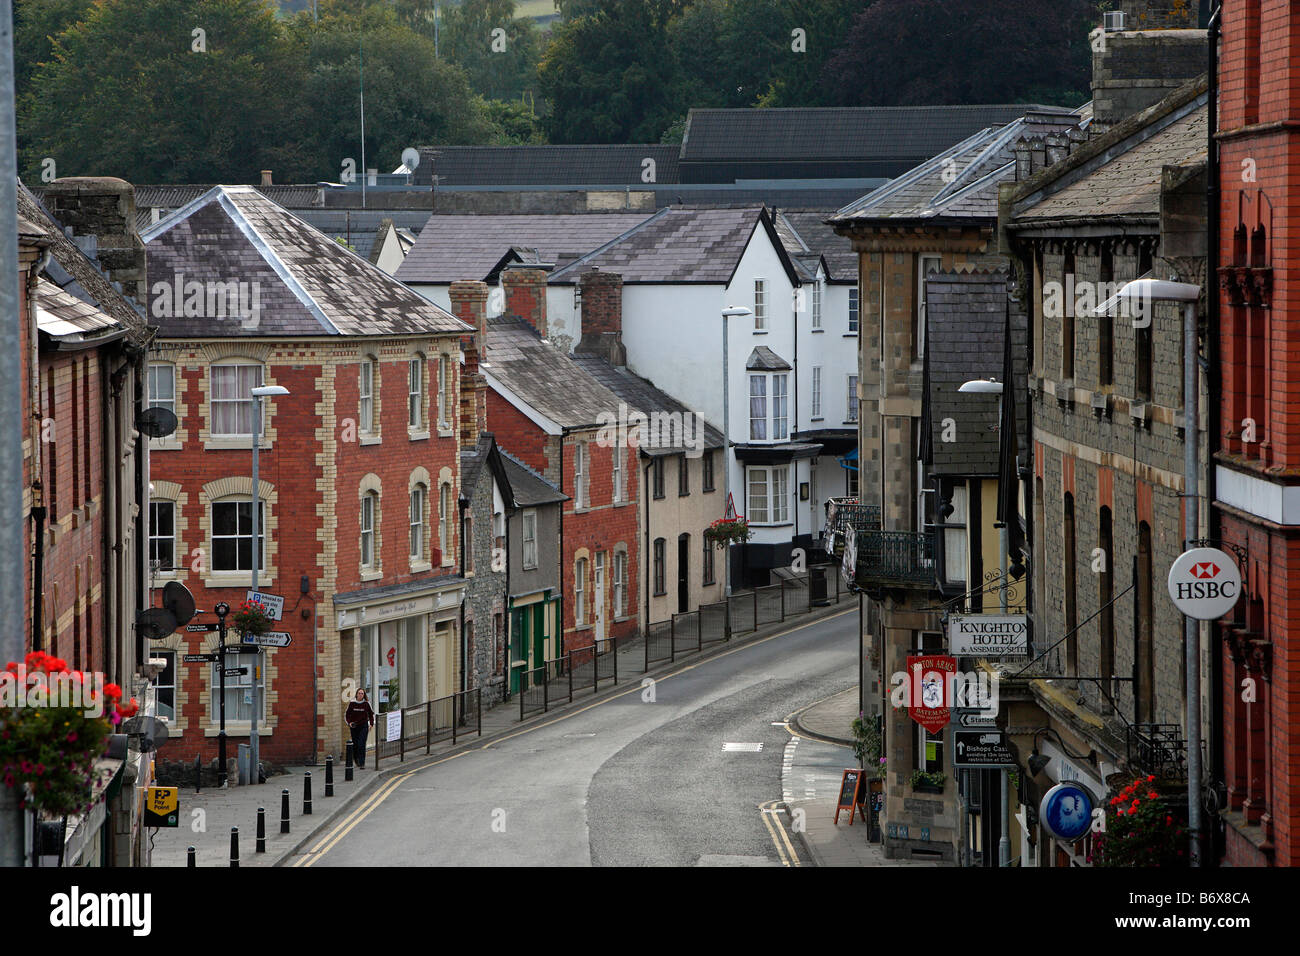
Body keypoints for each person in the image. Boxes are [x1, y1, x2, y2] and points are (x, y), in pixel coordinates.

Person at [345, 688, 376, 768]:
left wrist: (371, 724)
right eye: (359, 693)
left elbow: (371, 714)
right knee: (355, 744)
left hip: (363, 726)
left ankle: (362, 763)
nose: (360, 695)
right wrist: (349, 723)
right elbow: (347, 715)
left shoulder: (366, 703)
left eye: (362, 693)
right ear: (356, 694)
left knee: (361, 744)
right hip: (354, 726)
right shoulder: (352, 703)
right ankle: (356, 759)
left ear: (364, 695)